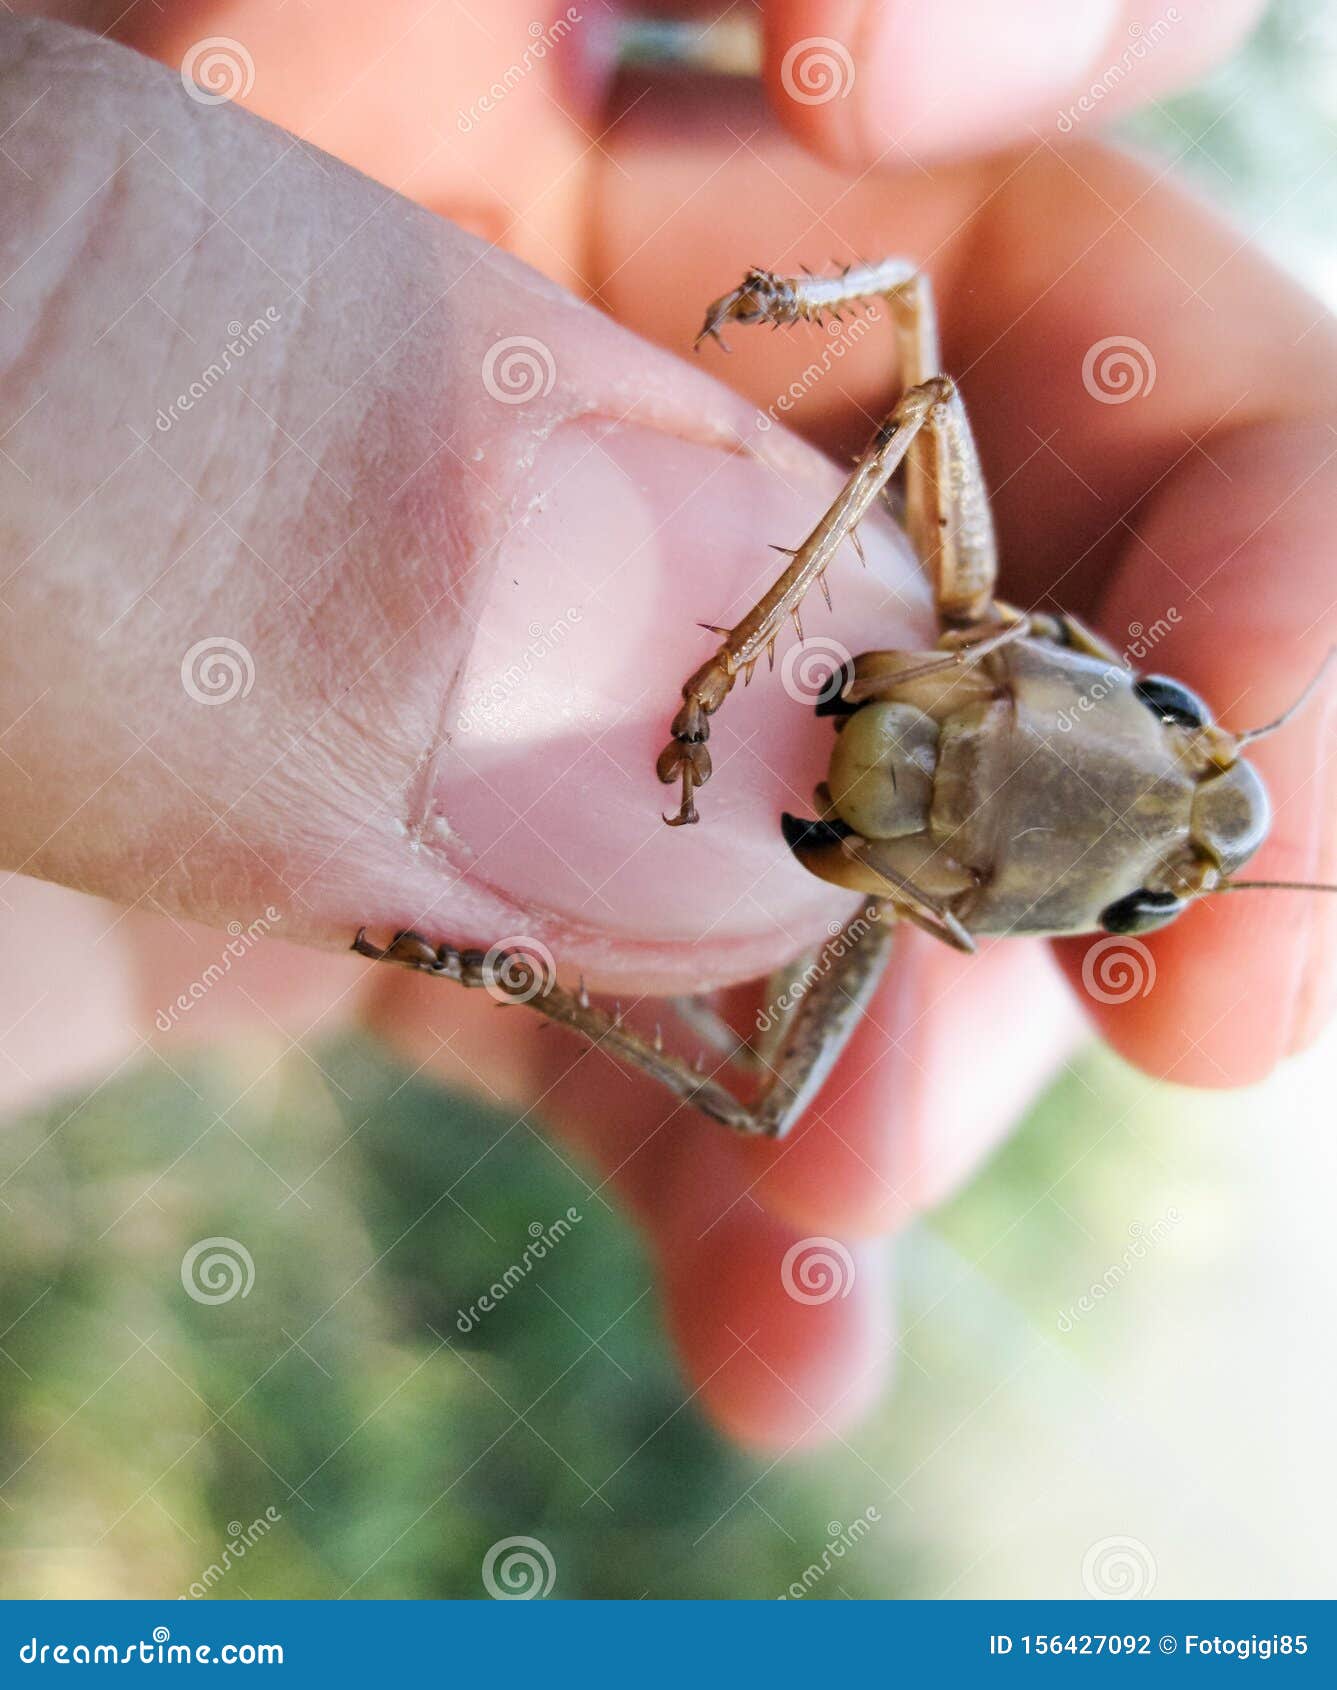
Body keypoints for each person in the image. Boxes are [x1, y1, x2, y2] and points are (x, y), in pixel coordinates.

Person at [1, 0, 1330, 1451]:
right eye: (1175, 726)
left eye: (1147, 885)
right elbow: (911, 338)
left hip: (850, 817)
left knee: (774, 1097)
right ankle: (505, 943)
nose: (1164, 792)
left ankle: (500, 952)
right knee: (913, 354)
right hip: (867, 775)